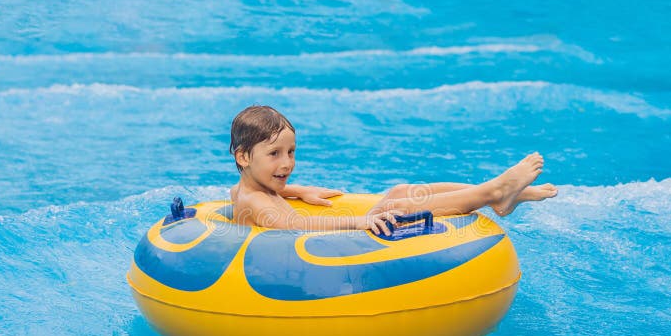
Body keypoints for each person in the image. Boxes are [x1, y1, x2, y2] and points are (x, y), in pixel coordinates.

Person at [229, 105, 557, 235]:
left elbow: (263, 193)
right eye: (274, 154)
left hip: (311, 238)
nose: (286, 163)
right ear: (244, 157)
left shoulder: (250, 189)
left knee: (400, 190)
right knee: (396, 207)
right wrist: (359, 220)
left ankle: (498, 192)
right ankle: (493, 193)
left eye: (291, 152)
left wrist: (299, 190)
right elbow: (297, 224)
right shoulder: (257, 203)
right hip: (312, 249)